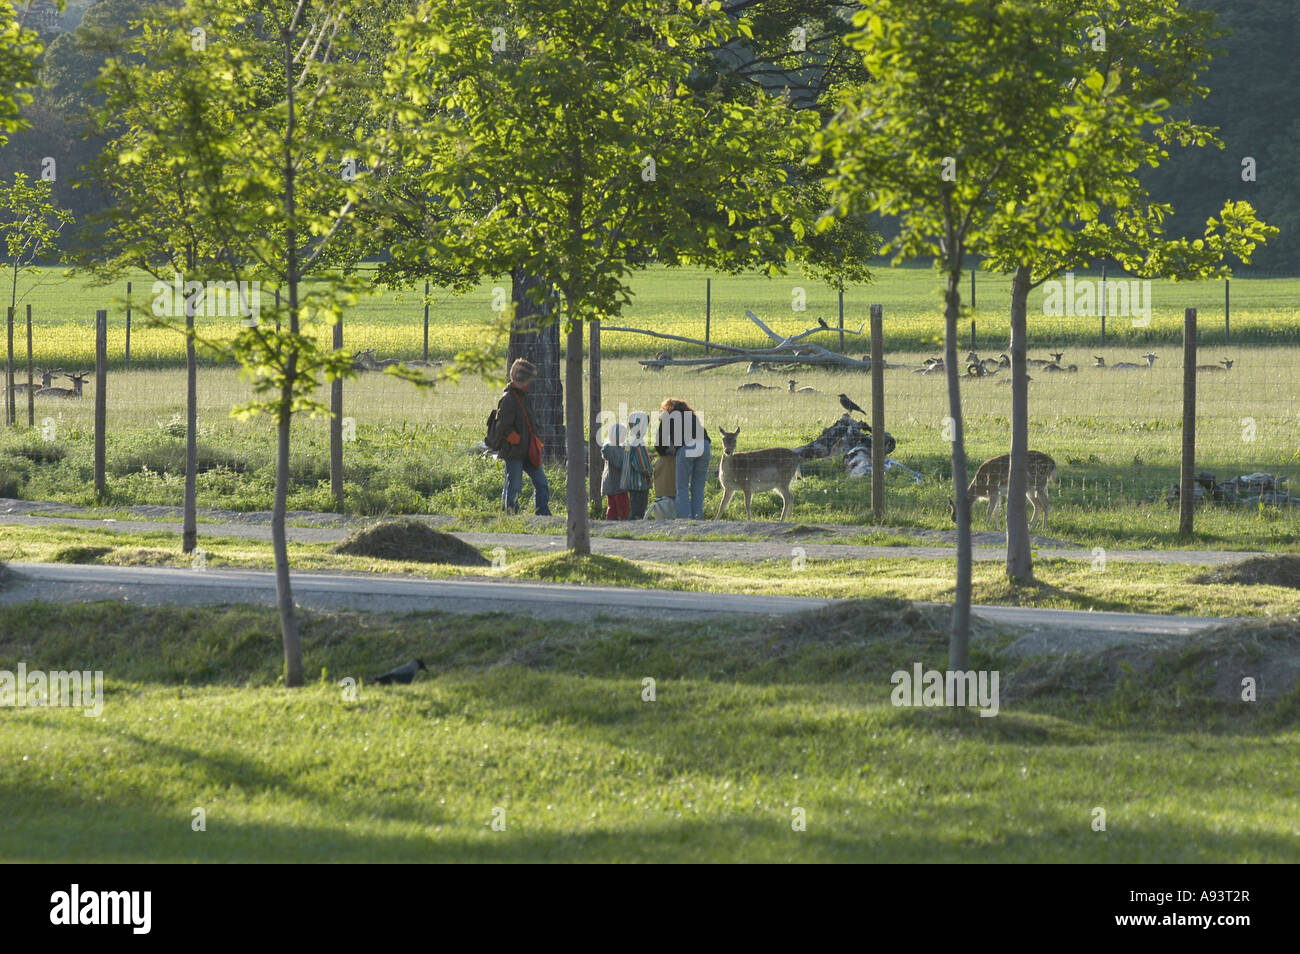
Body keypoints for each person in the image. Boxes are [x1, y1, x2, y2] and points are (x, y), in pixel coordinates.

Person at [492, 358, 551, 515]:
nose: (529, 383)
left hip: (528, 450)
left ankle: (543, 515)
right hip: (514, 451)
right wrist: (517, 440)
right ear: (521, 378)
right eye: (528, 379)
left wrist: (535, 437)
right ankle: (510, 515)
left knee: (542, 483)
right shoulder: (508, 399)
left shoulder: (524, 396)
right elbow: (502, 427)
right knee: (514, 486)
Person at [656, 397, 711, 520]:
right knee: (698, 487)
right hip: (705, 446)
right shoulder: (692, 416)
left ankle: (685, 520)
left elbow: (659, 444)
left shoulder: (667, 417)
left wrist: (669, 450)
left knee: (682, 487)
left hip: (687, 448)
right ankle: (697, 518)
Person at [624, 411, 654, 519]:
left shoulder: (630, 439)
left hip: (631, 482)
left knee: (634, 506)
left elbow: (631, 459)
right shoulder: (638, 441)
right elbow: (640, 464)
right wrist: (649, 474)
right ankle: (633, 528)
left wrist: (646, 457)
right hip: (639, 483)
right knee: (638, 510)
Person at [601, 424, 630, 520]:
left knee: (613, 507)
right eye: (622, 435)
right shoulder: (610, 449)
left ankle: (611, 525)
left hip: (615, 483)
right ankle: (621, 525)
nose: (623, 437)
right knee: (622, 508)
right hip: (616, 484)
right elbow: (618, 463)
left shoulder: (618, 447)